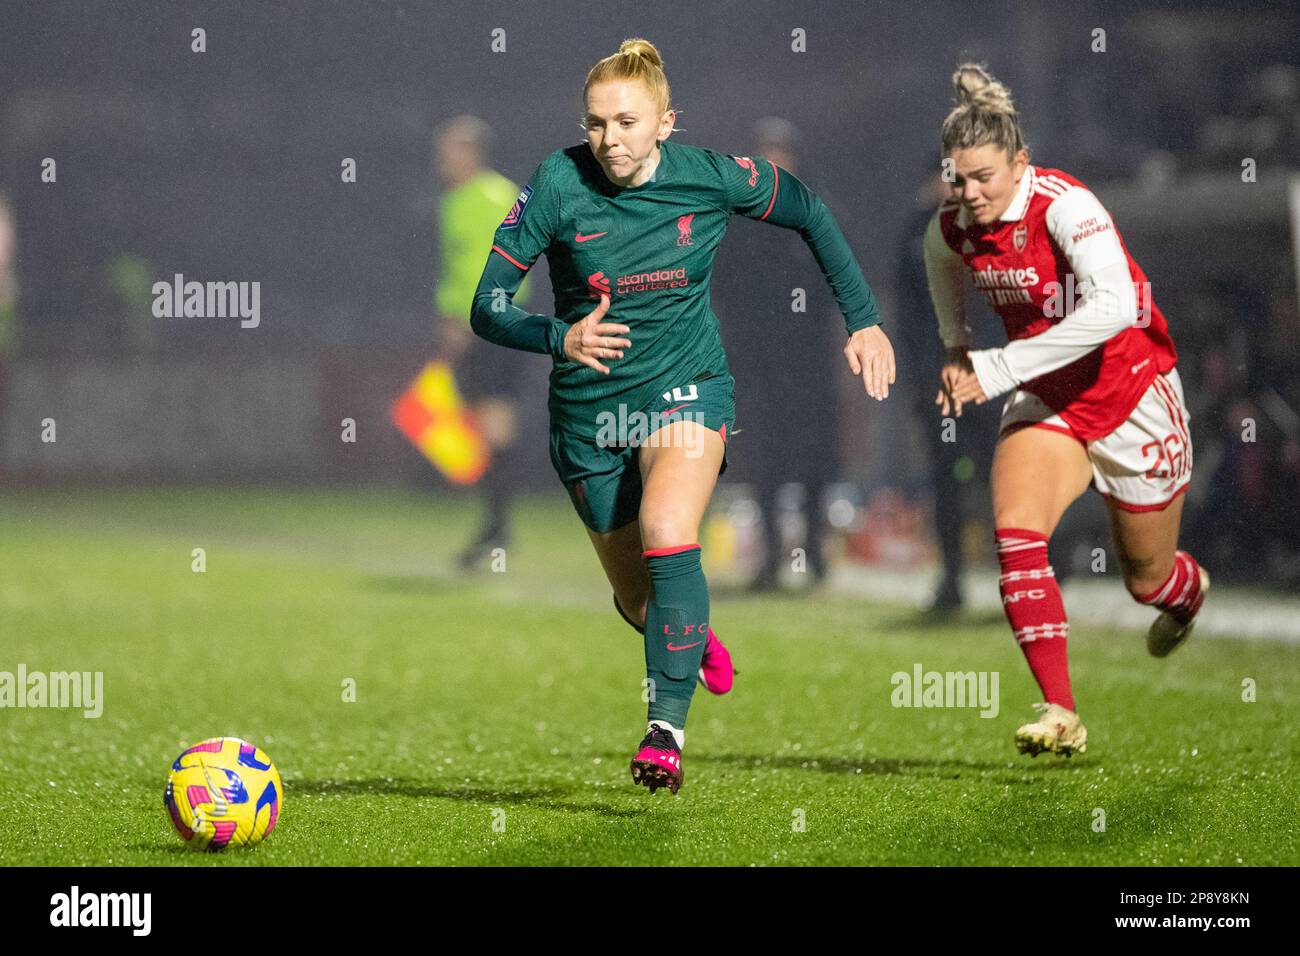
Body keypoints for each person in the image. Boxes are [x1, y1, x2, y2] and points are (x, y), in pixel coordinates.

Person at [470, 38, 895, 794]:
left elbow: (810, 214)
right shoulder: (557, 183)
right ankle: (687, 637)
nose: (610, 140)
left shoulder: (710, 177)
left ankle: (663, 731)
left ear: (667, 122)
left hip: (686, 388)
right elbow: (487, 306)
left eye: (628, 122)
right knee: (639, 598)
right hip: (590, 416)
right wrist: (557, 336)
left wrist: (861, 319)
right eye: (597, 123)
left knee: (672, 530)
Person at [924, 64, 1209, 758]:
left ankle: (1187, 590)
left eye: (986, 177)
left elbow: (1116, 308)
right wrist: (958, 347)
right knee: (1016, 537)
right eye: (959, 179)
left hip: (1132, 391)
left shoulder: (1064, 206)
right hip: (1050, 394)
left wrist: (998, 365)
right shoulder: (953, 226)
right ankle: (1061, 711)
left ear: (1020, 162)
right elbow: (939, 263)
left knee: (1147, 581)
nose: (971, 193)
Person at [433, 115, 536, 569]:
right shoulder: (455, 201)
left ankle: (498, 530)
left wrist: (470, 318)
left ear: (471, 152)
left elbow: (508, 264)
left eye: (450, 150)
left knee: (494, 422)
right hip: (476, 326)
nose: (442, 160)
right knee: (484, 424)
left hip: (494, 325)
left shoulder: (495, 196)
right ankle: (497, 527)